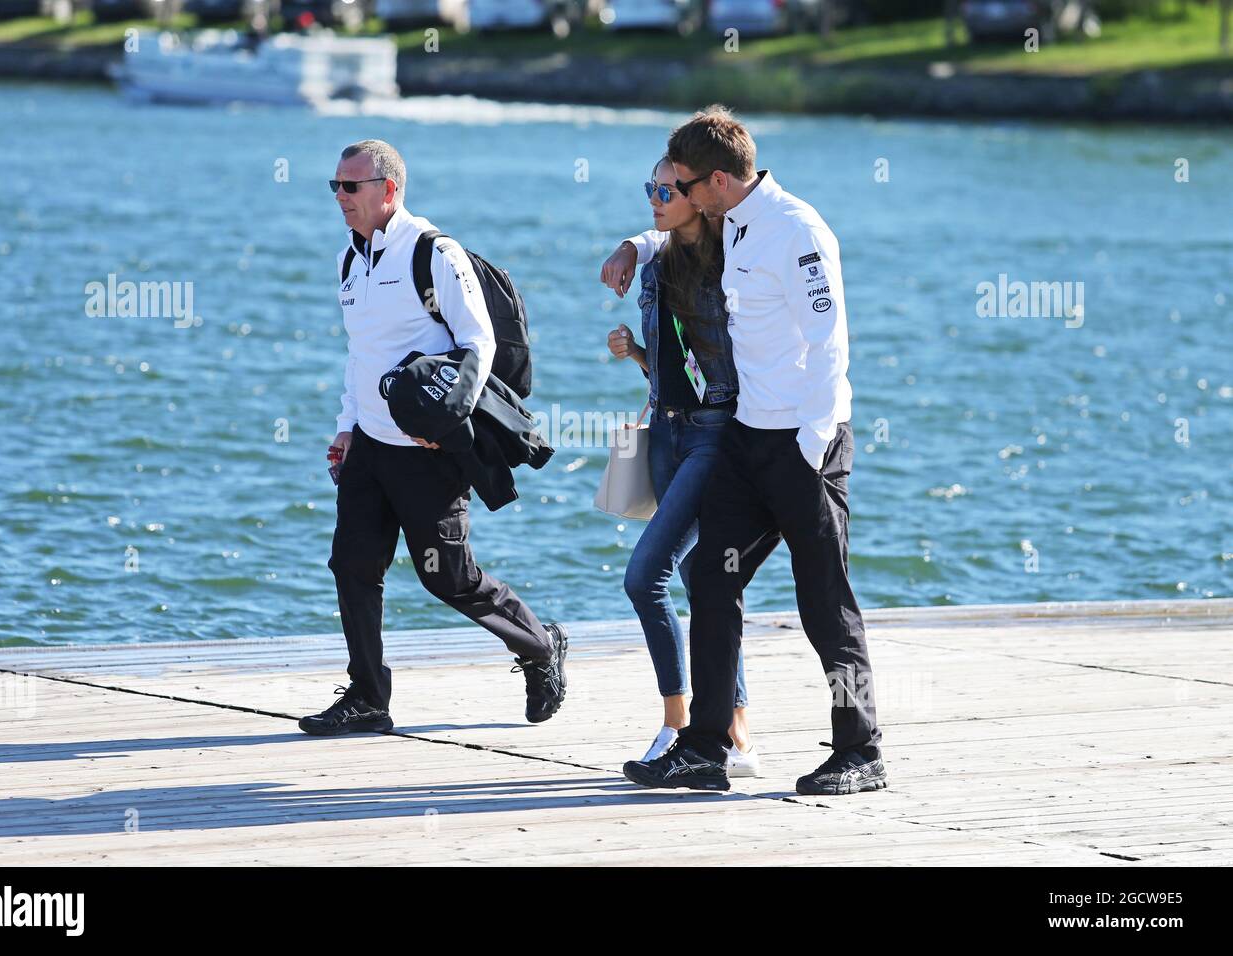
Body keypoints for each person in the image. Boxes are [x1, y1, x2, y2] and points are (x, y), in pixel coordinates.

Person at [601, 107, 886, 796]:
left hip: (803, 446)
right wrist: (636, 243)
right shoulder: (731, 218)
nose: (680, 196)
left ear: (720, 180)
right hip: (747, 438)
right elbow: (674, 228)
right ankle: (705, 747)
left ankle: (861, 750)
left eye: (686, 185)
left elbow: (829, 345)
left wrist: (811, 448)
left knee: (824, 600)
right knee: (711, 577)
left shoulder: (796, 231)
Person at [300, 139, 567, 737]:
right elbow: (361, 355)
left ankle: (540, 645)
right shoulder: (352, 259)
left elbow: (480, 343)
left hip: (428, 449)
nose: (340, 197)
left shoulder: (433, 253)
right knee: (352, 564)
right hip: (370, 443)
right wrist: (346, 428)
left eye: (351, 186)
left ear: (388, 190)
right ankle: (369, 697)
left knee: (447, 576)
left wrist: (449, 423)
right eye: (335, 186)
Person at [605, 156, 761, 777]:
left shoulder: (731, 259)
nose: (654, 198)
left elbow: (730, 365)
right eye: (649, 188)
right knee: (703, 577)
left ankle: (678, 725)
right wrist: (638, 353)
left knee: (646, 577)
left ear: (700, 195)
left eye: (666, 189)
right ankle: (737, 732)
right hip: (666, 428)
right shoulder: (657, 257)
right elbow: (679, 363)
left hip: (714, 438)